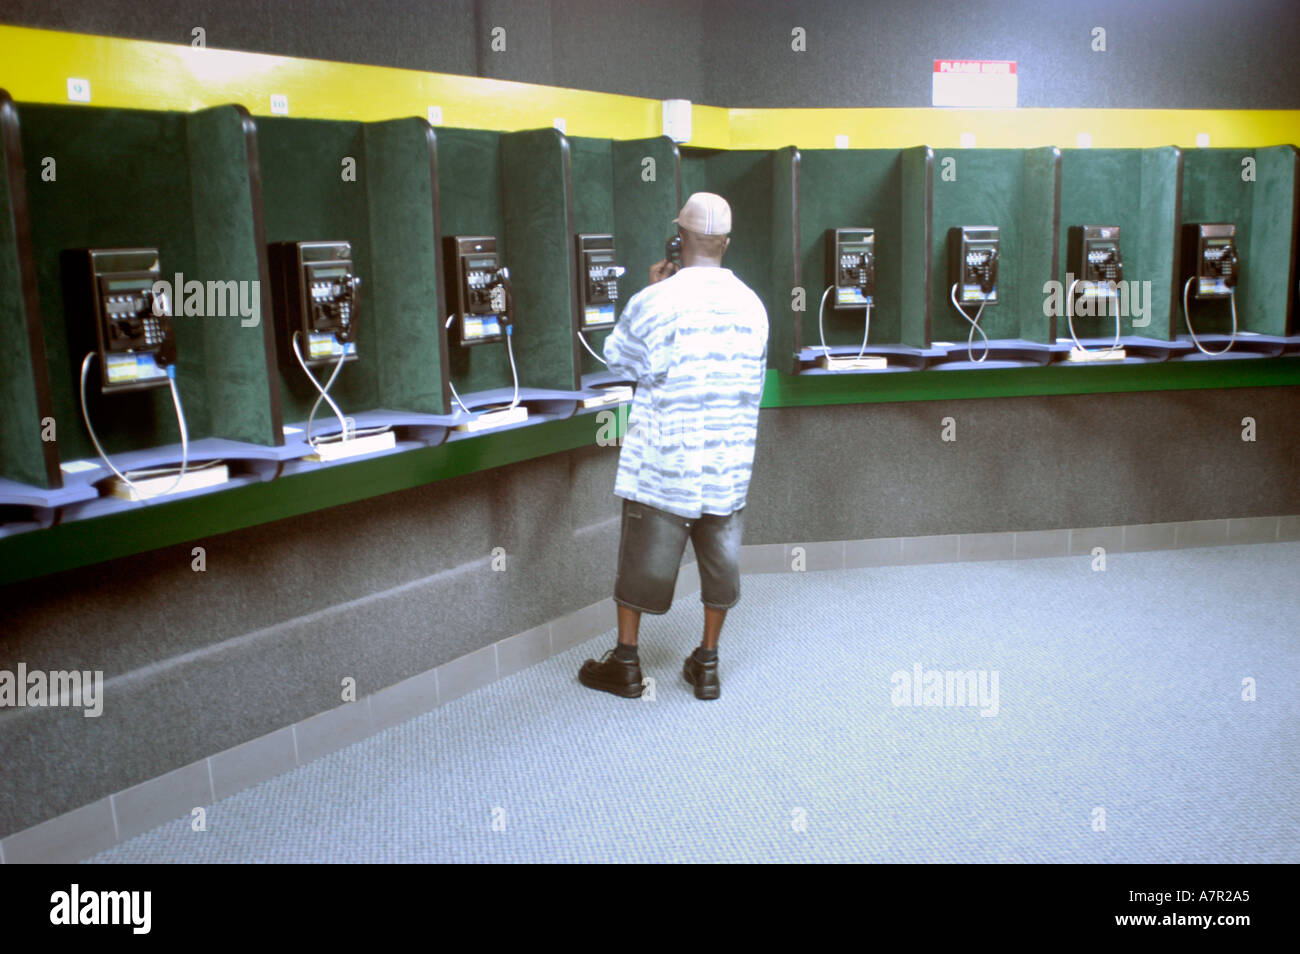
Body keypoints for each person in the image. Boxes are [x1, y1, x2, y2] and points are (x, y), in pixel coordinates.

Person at [577, 192, 768, 701]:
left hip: (664, 462)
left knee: (639, 559)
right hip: (727, 462)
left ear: (678, 239)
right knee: (720, 563)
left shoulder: (655, 301)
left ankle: (626, 663)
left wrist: (649, 290)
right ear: (726, 242)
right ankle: (707, 664)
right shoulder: (754, 305)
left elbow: (619, 358)